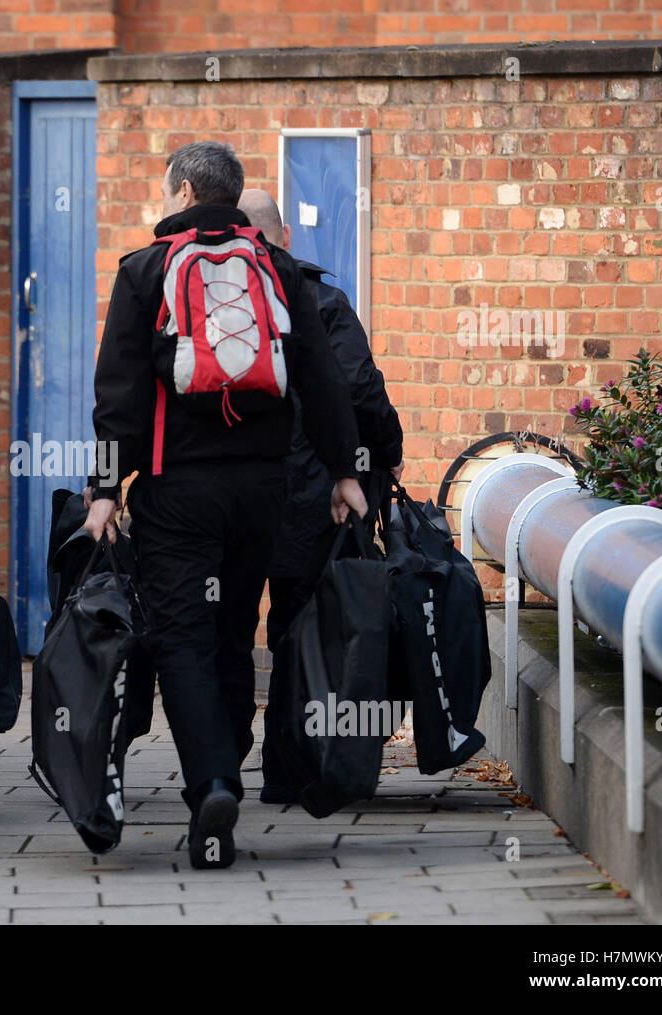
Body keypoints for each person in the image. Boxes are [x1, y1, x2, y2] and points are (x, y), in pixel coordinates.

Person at [83, 141, 366, 869]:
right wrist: (344, 469)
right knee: (236, 632)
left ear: (182, 190)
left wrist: (106, 490)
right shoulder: (274, 268)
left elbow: (116, 395)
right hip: (264, 487)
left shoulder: (145, 271)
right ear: (233, 197)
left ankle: (210, 780)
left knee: (182, 640)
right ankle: (228, 767)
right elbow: (322, 376)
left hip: (178, 491)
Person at [236, 188, 404, 804]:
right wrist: (379, 454)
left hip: (227, 494)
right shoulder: (321, 300)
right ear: (284, 237)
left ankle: (217, 770)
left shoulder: (206, 298)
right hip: (308, 494)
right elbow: (358, 387)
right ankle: (287, 770)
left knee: (224, 629)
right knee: (297, 626)